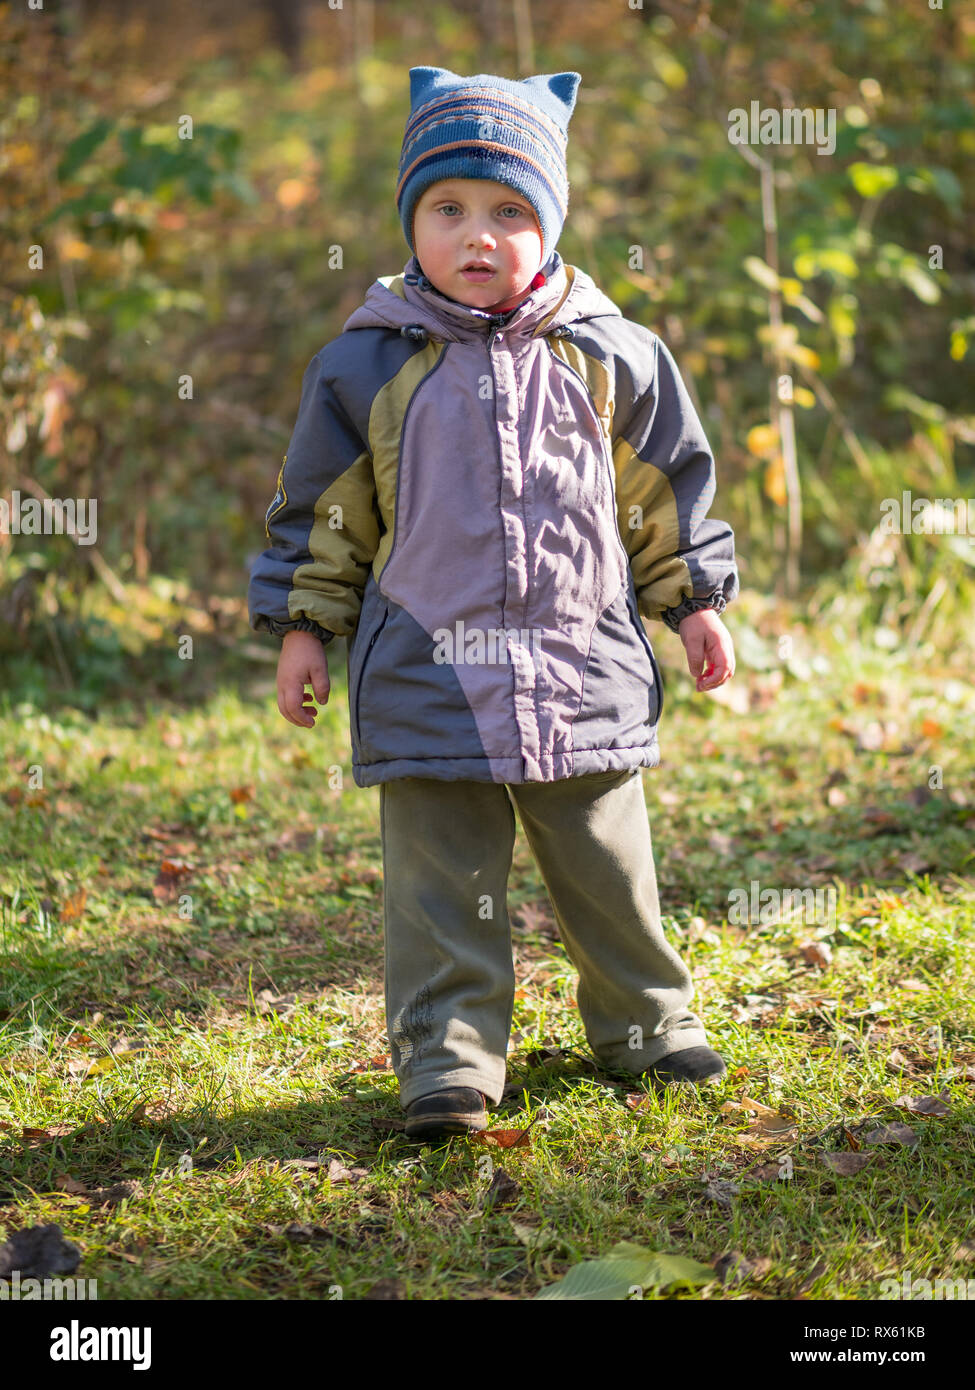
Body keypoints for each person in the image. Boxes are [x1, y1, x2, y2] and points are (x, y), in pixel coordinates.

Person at [248, 66, 739, 1142]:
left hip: (582, 663)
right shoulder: (365, 363)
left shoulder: (612, 355)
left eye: (510, 210)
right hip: (427, 672)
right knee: (439, 882)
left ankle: (648, 1022)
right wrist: (303, 627)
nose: (478, 234)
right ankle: (448, 1059)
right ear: (411, 222)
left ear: (550, 223)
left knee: (608, 864)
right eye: (448, 208)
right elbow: (324, 514)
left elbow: (666, 492)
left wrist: (694, 601)